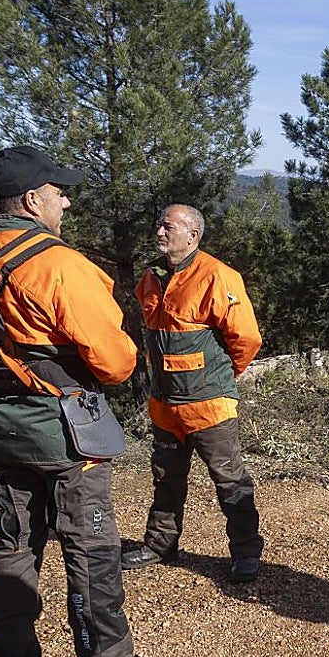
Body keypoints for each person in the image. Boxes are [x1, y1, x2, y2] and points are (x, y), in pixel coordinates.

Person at [0, 145, 162, 657]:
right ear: (33, 199)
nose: (68, 200)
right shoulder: (60, 266)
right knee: (90, 546)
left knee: (15, 541)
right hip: (63, 432)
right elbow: (116, 362)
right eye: (60, 190)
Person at [119, 205, 266, 581]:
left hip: (209, 405)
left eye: (168, 227)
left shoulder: (218, 276)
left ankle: (246, 553)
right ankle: (160, 545)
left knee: (229, 480)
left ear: (193, 235)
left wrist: (221, 377)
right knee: (166, 478)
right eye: (159, 225)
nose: (159, 233)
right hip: (165, 404)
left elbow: (246, 339)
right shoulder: (150, 279)